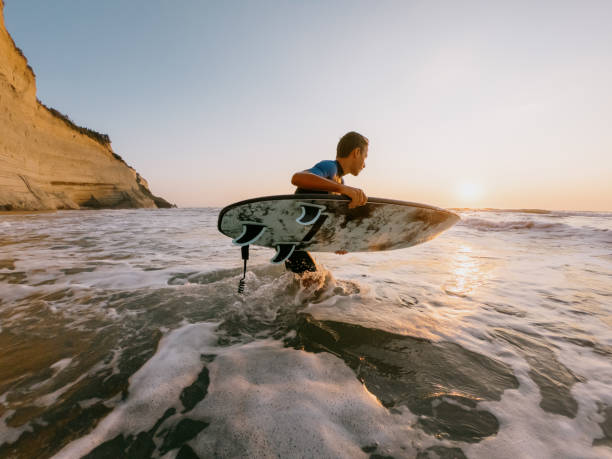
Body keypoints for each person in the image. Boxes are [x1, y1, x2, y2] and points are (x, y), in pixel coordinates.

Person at [286, 131, 369, 274]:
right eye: (365, 156)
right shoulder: (330, 167)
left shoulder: (340, 181)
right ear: (356, 152)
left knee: (311, 284)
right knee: (313, 284)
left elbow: (325, 216)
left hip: (297, 241)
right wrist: (342, 188)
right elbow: (297, 178)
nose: (364, 164)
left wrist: (337, 240)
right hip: (288, 236)